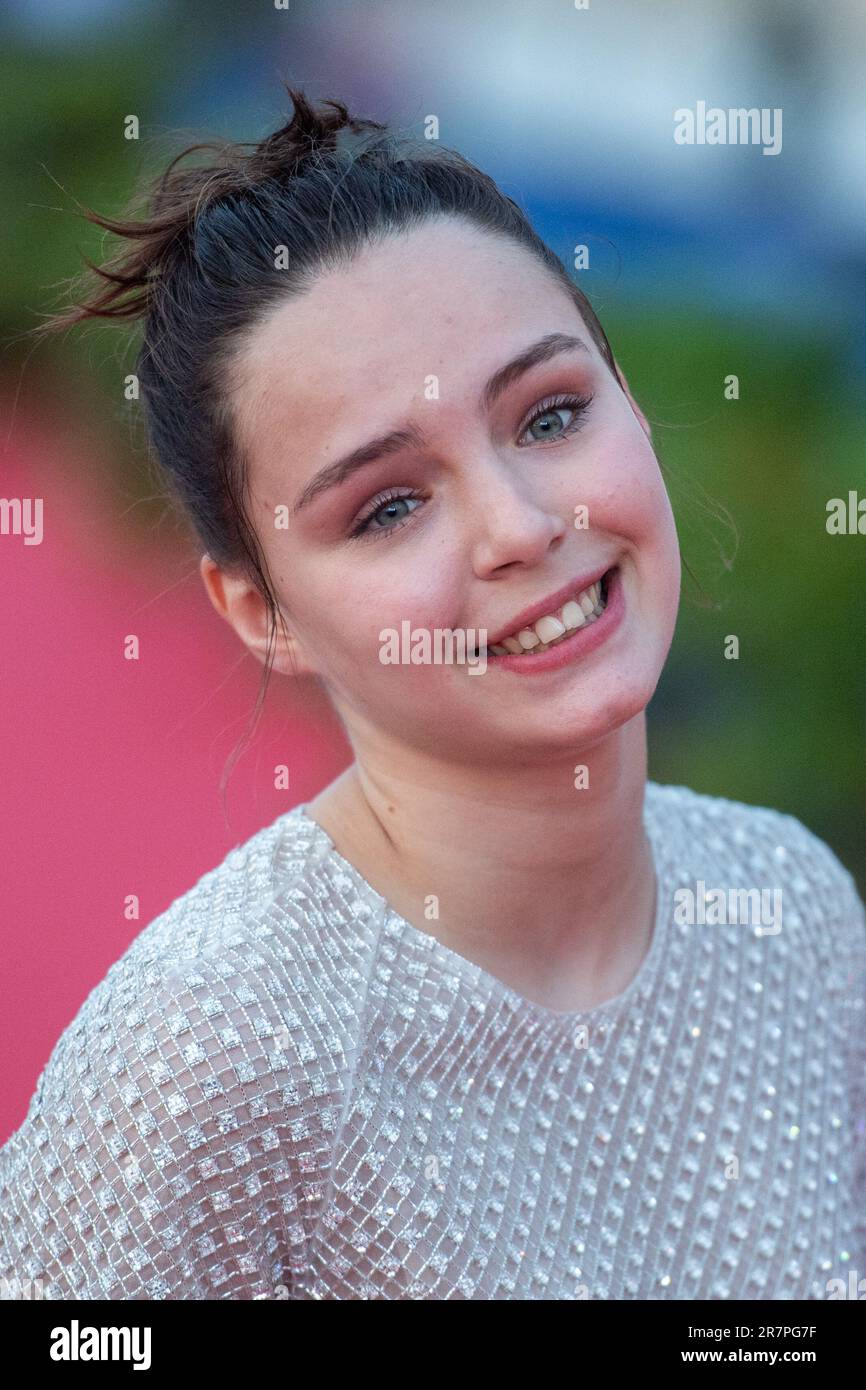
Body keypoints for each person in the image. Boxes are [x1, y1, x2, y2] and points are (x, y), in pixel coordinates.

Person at [1, 87, 864, 1301]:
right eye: (388, 506)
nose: (520, 526)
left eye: (551, 414)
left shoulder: (789, 907)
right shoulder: (214, 1064)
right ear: (262, 612)